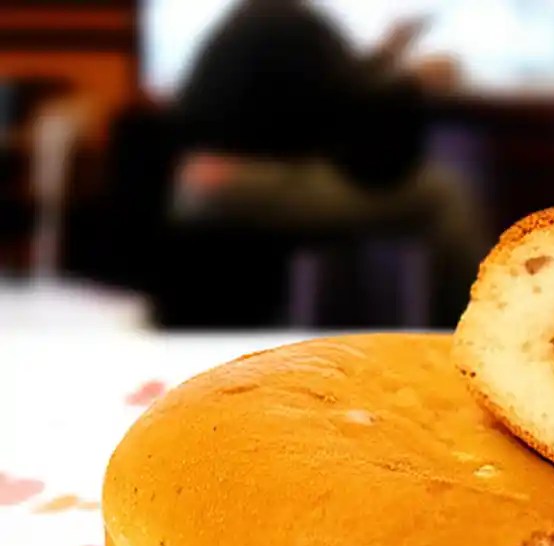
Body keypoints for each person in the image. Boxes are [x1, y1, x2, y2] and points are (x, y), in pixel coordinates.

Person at [160, 0, 487, 328]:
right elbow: (351, 110)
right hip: (238, 183)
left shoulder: (259, 17)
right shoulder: (289, 21)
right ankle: (476, 331)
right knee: (442, 193)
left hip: (213, 181)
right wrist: (415, 80)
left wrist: (387, 55)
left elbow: (327, 88)